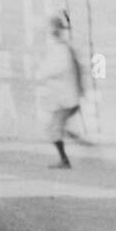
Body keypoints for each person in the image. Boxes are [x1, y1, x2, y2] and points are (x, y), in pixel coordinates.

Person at [39, 12, 87, 169]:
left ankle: (64, 159)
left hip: (65, 98)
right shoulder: (62, 47)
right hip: (64, 97)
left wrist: (43, 74)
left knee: (52, 129)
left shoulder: (60, 49)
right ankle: (68, 132)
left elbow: (56, 69)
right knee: (53, 127)